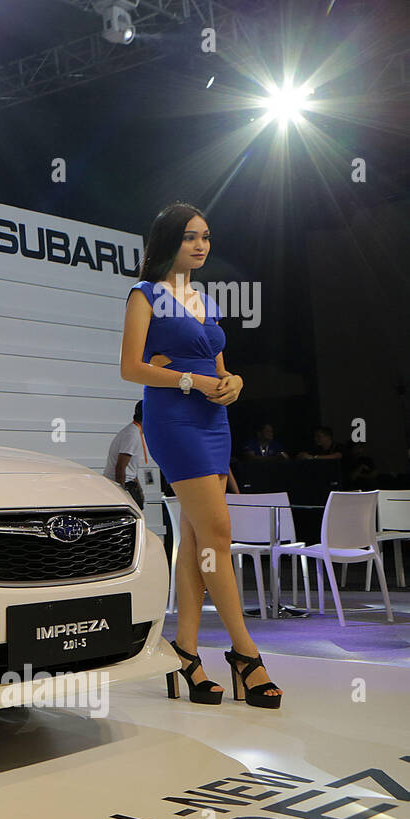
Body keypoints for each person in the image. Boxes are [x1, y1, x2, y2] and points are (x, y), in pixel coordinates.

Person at [119, 202, 282, 709]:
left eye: (207, 237)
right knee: (217, 532)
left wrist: (233, 383)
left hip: (215, 421)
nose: (201, 245)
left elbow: (219, 365)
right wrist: (188, 379)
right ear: (169, 240)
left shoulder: (204, 298)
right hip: (174, 420)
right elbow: (130, 368)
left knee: (195, 538)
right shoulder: (144, 294)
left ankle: (185, 654)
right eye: (191, 237)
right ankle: (245, 653)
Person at [105, 400, 148, 509]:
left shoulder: (134, 432)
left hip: (128, 483)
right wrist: (123, 495)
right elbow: (120, 467)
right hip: (123, 484)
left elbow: (130, 467)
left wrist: (139, 489)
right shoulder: (132, 435)